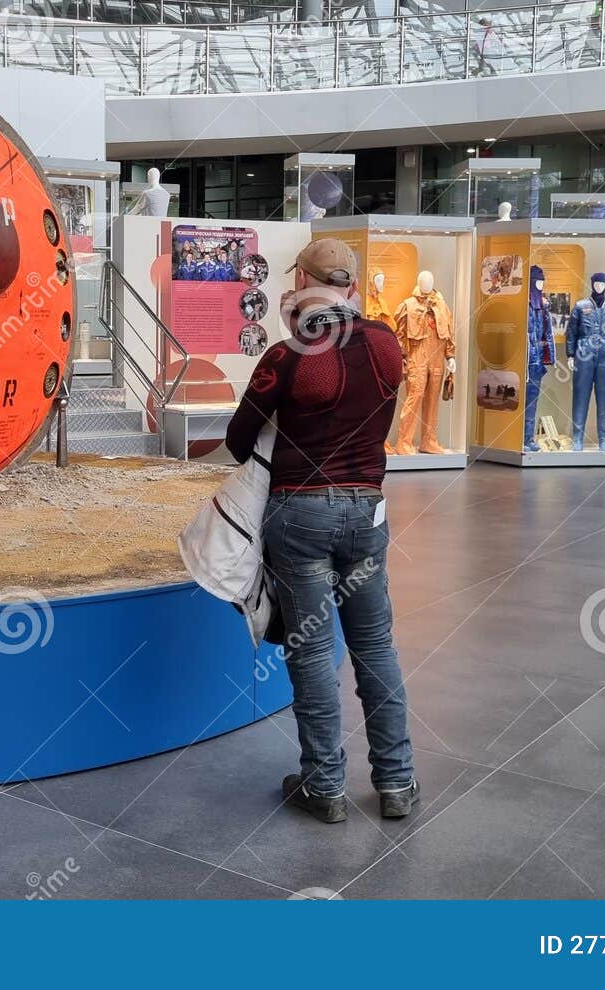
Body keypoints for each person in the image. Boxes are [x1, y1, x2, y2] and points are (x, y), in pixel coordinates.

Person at [223, 238, 418, 824]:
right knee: (375, 646)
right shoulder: (386, 344)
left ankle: (325, 787)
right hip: (367, 512)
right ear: (352, 286)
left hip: (300, 514)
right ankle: (397, 782)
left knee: (310, 652)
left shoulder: (288, 355)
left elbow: (238, 440)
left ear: (303, 281)